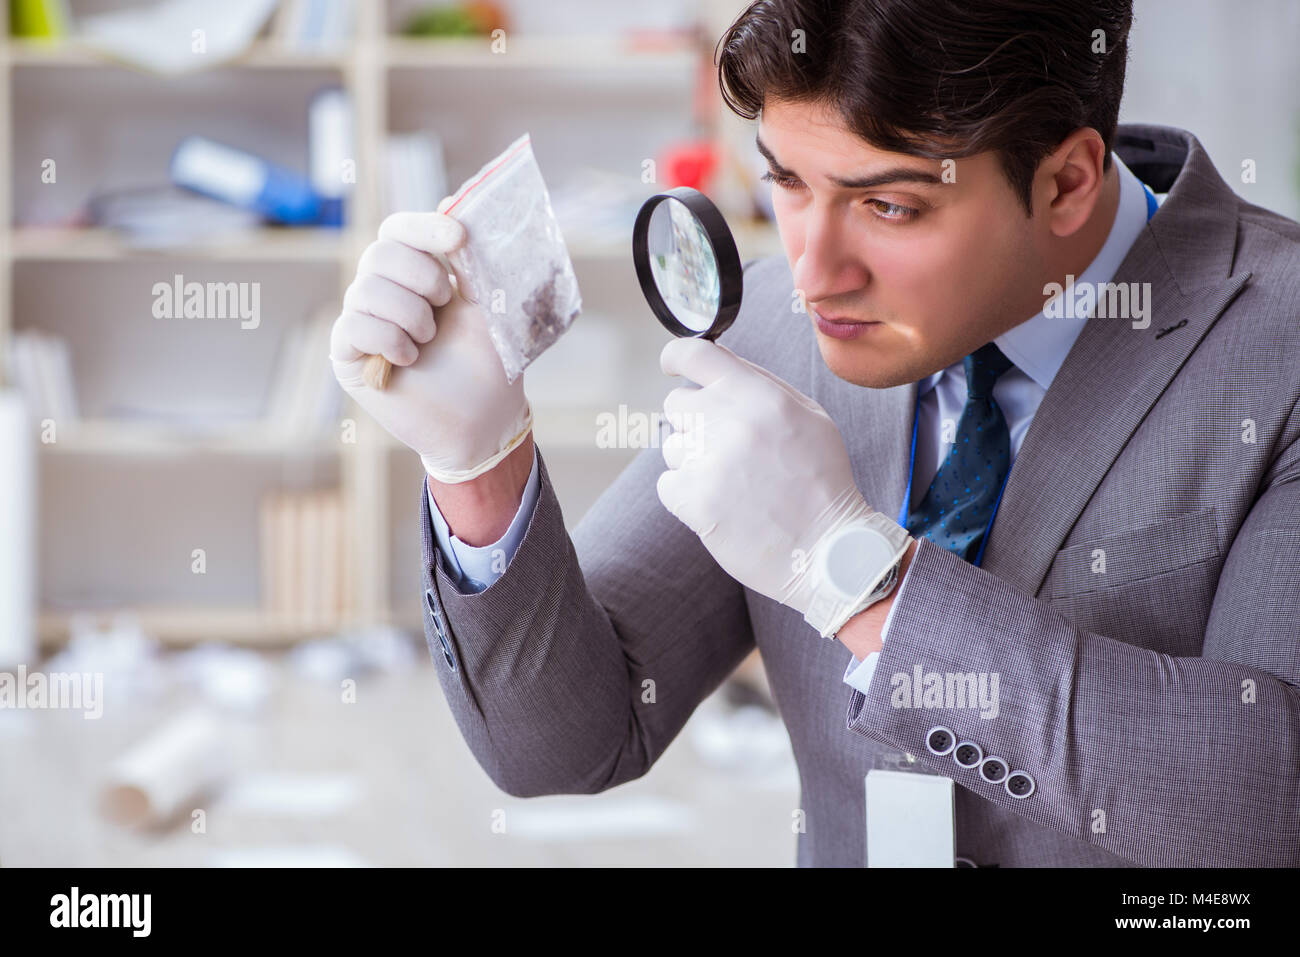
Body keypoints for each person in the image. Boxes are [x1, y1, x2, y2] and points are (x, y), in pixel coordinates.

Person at [330, 0, 1300, 867]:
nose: (812, 274)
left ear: (1065, 184)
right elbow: (571, 741)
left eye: (887, 205)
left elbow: (1267, 812)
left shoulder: (1281, 341)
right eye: (786, 183)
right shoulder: (770, 328)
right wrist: (476, 460)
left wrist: (860, 580)